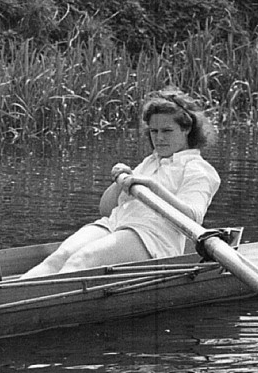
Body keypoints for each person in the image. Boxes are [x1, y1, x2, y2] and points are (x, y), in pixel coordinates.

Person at [22, 88, 220, 278]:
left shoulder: (200, 170)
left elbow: (194, 218)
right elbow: (105, 209)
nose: (159, 138)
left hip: (152, 238)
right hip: (114, 225)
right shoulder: (150, 162)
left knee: (82, 260)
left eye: (167, 131)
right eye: (154, 131)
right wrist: (119, 183)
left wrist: (153, 188)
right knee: (59, 257)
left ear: (186, 129)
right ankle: (3, 299)